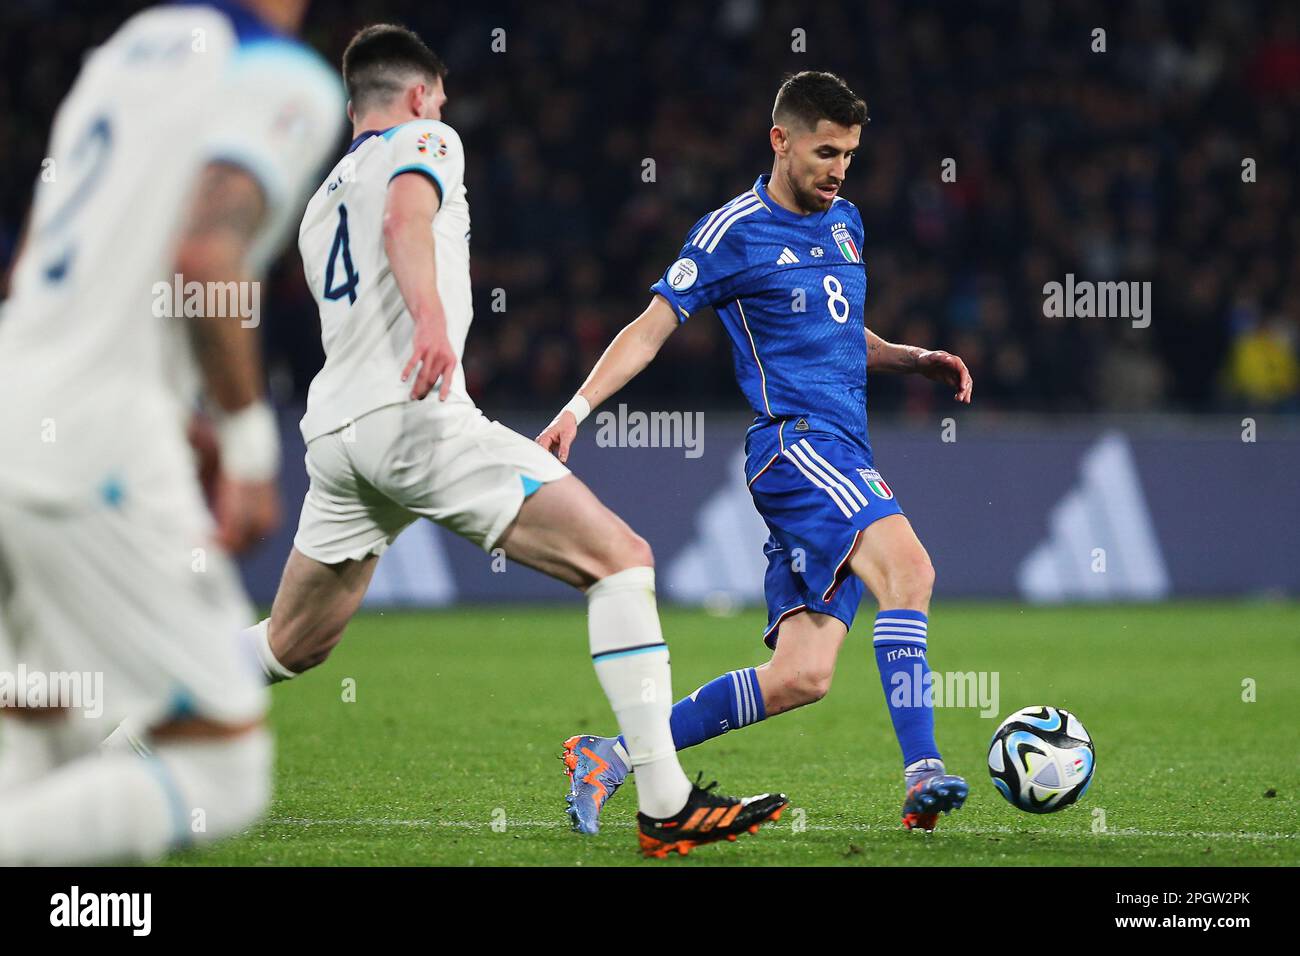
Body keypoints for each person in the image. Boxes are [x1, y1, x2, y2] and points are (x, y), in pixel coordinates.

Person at [244, 23, 787, 858]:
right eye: (443, 97)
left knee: (292, 643)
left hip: (338, 440)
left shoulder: (318, 205)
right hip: (415, 417)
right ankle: (664, 800)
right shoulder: (428, 138)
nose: (445, 110)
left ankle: (120, 732)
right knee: (622, 559)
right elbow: (405, 217)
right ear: (422, 95)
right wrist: (431, 321)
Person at [538, 71, 975, 836]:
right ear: (781, 140)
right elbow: (649, 328)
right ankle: (922, 771)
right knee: (911, 570)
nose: (839, 170)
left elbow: (837, 335)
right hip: (796, 445)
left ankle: (610, 754)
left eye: (850, 155)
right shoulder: (730, 233)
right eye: (825, 151)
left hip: (840, 448)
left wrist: (913, 357)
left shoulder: (847, 224)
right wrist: (577, 408)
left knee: (801, 677)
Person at [0, 0, 344, 864]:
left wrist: (170, 402)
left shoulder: (125, 51)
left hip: (19, 396)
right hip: (91, 446)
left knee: (42, 734)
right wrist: (247, 446)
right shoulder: (280, 74)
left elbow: (35, 262)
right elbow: (201, 254)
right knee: (221, 769)